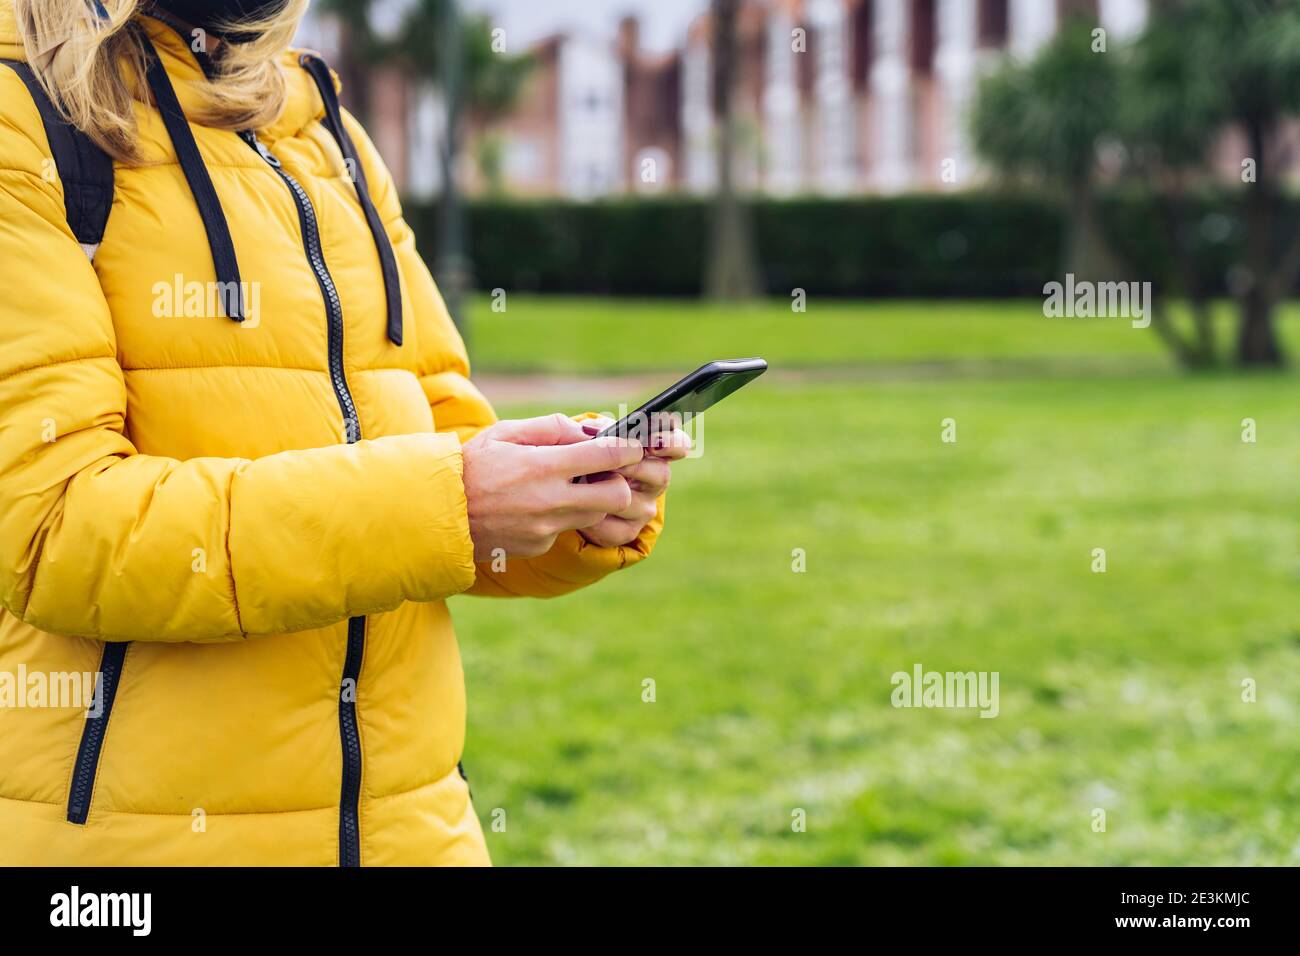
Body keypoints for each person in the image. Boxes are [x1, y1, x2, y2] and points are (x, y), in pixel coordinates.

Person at [0, 0, 688, 865]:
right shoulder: (21, 121)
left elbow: (444, 457)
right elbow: (52, 532)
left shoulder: (328, 133)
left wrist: (572, 503)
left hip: (416, 834)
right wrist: (453, 498)